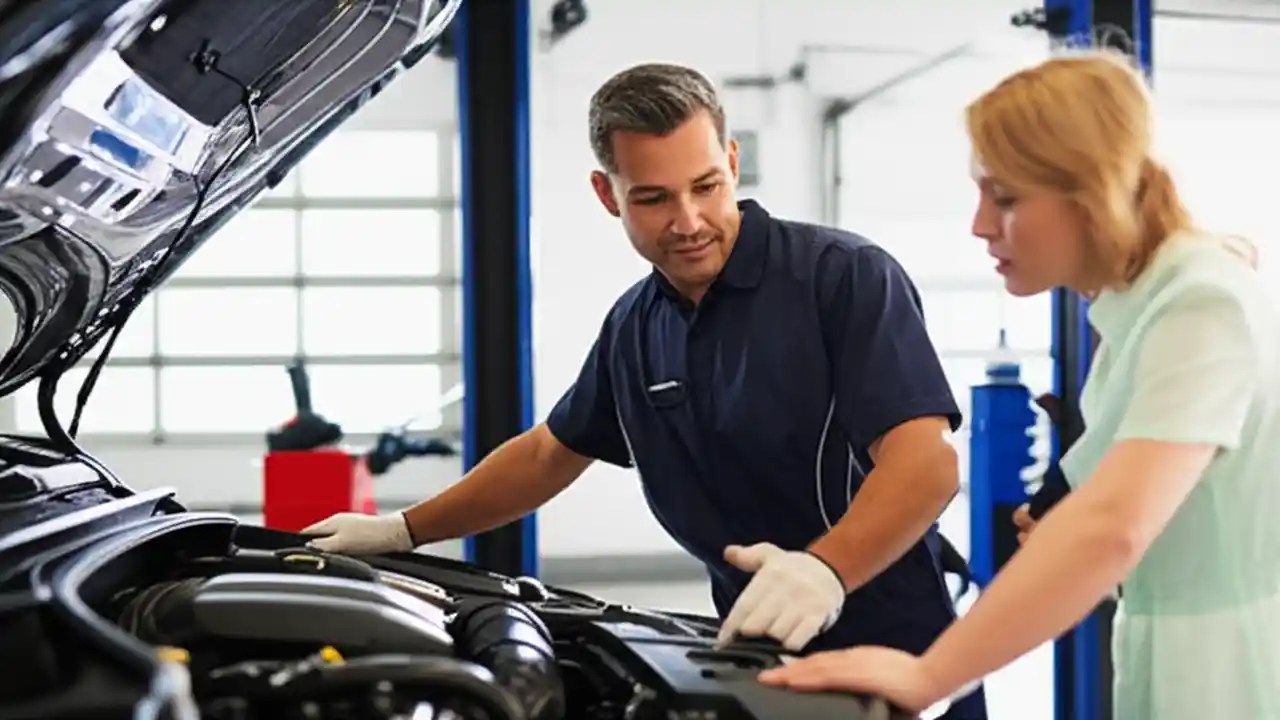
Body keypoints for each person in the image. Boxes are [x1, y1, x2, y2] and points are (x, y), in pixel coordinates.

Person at [303, 62, 986, 719]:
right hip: (752, 646)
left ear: (733, 163)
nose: (687, 220)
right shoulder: (636, 325)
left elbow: (927, 464)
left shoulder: (842, 278)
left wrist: (825, 571)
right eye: (654, 198)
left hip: (896, 638)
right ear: (608, 195)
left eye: (706, 186)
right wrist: (403, 529)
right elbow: (549, 452)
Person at [759, 50, 1280, 719]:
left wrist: (930, 675)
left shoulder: (1200, 302)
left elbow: (1113, 527)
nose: (979, 225)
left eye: (1003, 198)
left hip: (1233, 673)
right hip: (1176, 654)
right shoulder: (1140, 309)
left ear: (1090, 188)